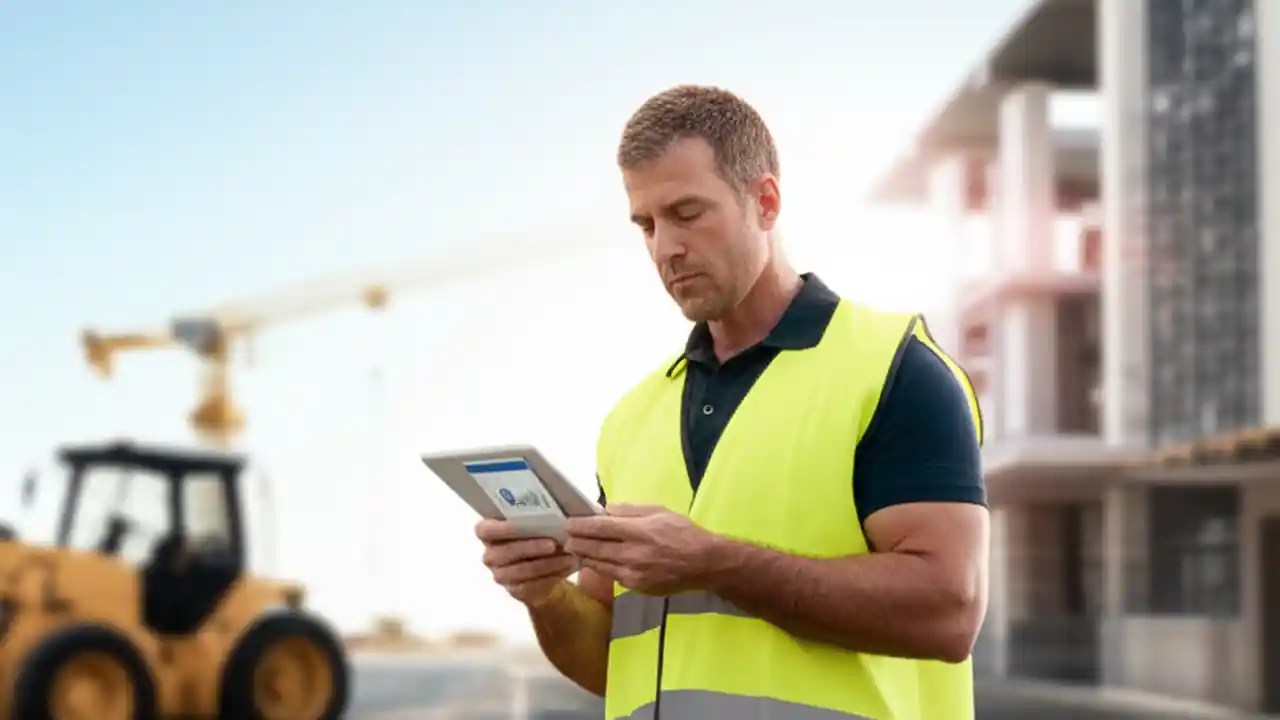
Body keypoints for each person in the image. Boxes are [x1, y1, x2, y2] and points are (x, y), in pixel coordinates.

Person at [476, 84, 988, 720]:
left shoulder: (896, 370)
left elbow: (949, 612)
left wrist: (714, 563)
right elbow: (610, 666)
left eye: (687, 214)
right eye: (646, 224)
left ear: (764, 202)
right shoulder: (631, 420)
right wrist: (545, 594)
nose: (665, 248)